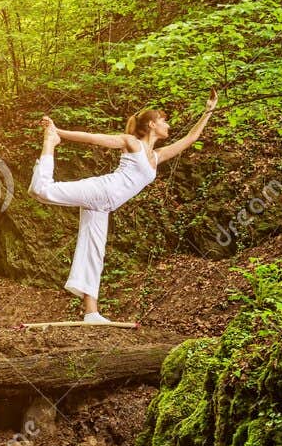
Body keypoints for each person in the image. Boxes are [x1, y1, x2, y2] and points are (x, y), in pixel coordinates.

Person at [31, 92, 218, 325]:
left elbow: (190, 139)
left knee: (94, 252)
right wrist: (57, 132)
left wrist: (209, 110)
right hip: (101, 191)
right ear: (152, 124)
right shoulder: (132, 143)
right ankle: (49, 143)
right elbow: (93, 138)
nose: (168, 125)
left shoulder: (156, 156)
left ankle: (91, 313)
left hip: (104, 206)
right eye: (164, 120)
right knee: (41, 190)